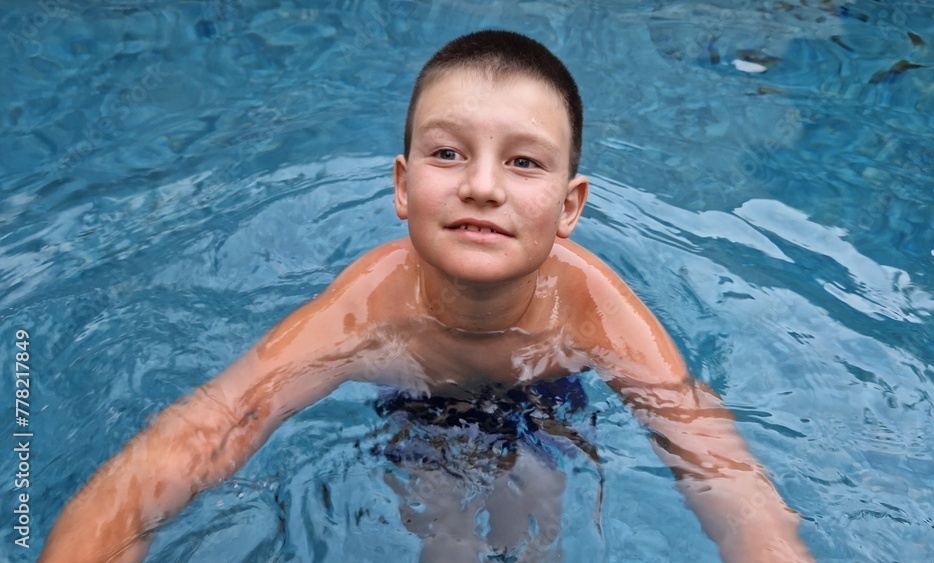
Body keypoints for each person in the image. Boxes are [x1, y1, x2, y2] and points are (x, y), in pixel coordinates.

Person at [41, 30, 814, 562]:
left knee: (534, 514)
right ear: (404, 186)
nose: (481, 185)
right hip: (416, 401)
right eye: (449, 153)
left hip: (548, 394)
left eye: (522, 163)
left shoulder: (596, 311)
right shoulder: (368, 308)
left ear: (571, 208)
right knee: (438, 528)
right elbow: (209, 429)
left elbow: (716, 465)